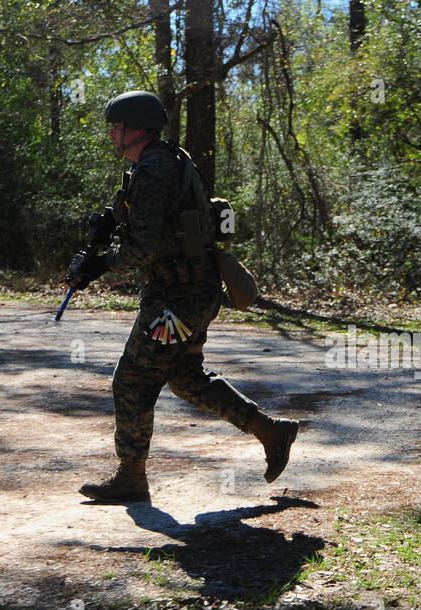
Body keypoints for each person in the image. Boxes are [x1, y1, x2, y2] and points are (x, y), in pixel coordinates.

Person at [69, 91, 299, 503]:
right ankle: (271, 431)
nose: (110, 134)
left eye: (114, 127)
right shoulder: (167, 159)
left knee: (133, 380)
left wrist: (101, 264)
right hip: (191, 294)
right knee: (185, 378)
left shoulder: (154, 170)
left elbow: (145, 247)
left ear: (133, 129)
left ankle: (131, 478)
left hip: (176, 301)